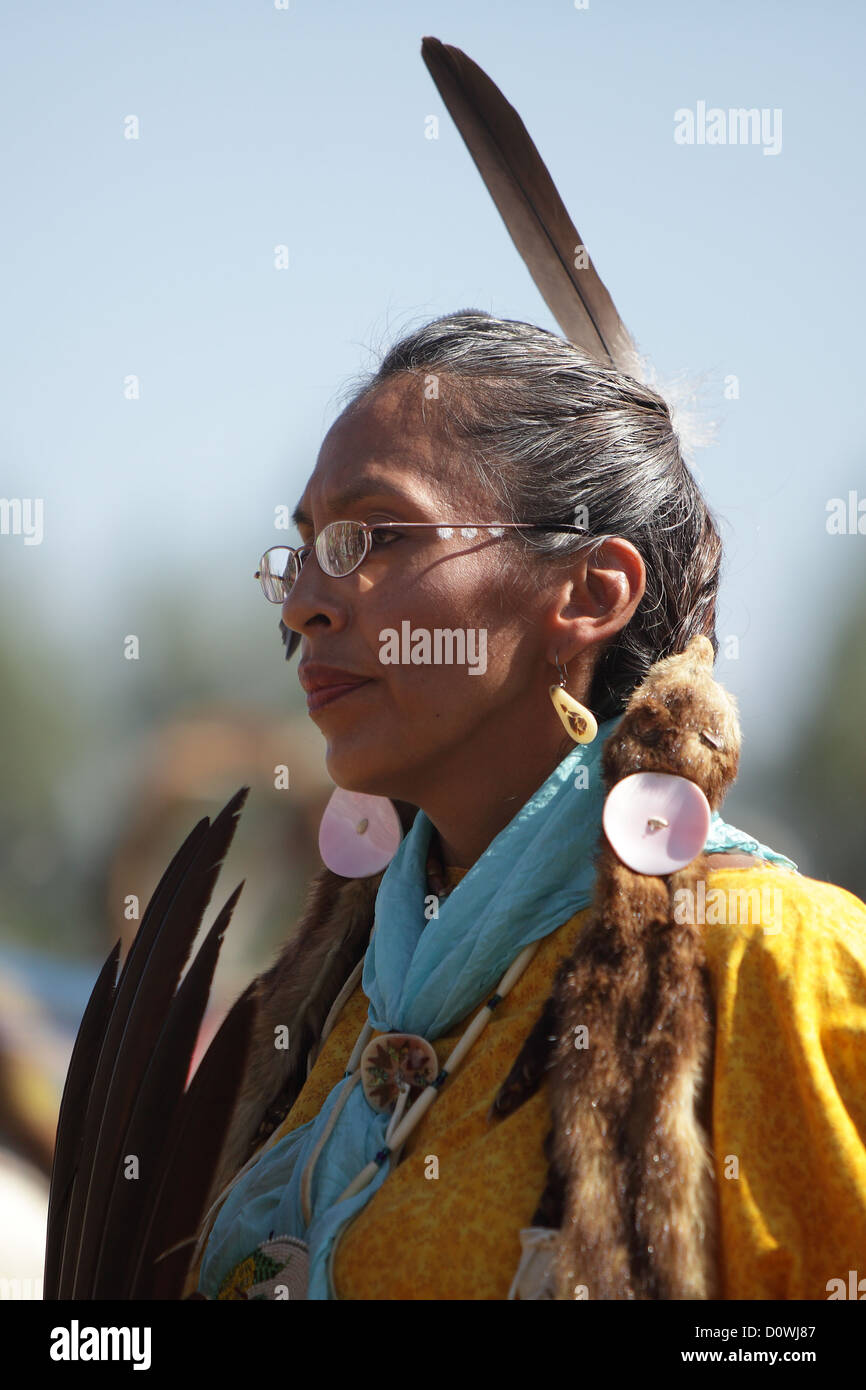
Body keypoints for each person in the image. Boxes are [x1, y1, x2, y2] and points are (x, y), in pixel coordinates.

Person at [188, 310, 866, 1300]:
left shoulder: (767, 963)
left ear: (588, 592)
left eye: (372, 534)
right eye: (304, 550)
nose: (304, 604)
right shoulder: (331, 1001)